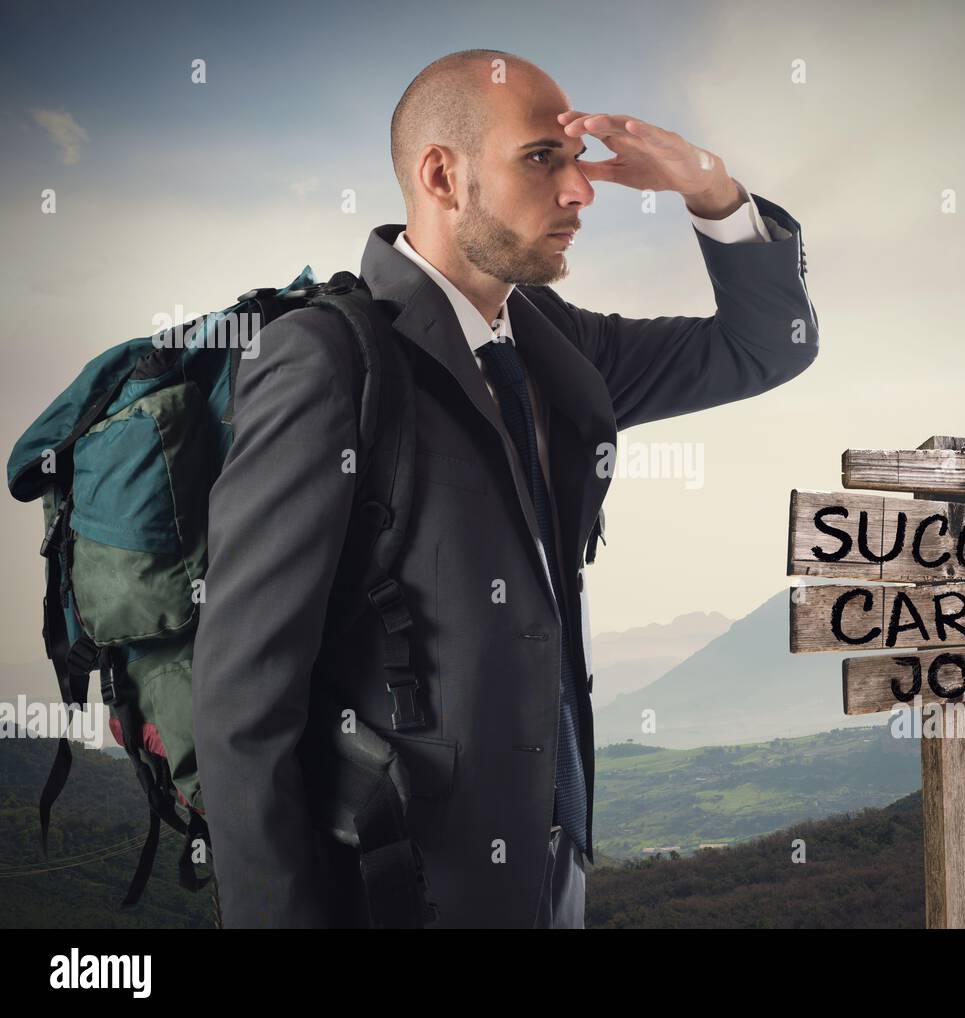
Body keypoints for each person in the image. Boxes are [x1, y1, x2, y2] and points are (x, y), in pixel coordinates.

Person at [191, 47, 819, 929]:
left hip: (552, 856)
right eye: (541, 158)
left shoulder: (557, 344)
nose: (581, 191)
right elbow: (243, 704)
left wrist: (706, 187)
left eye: (574, 161)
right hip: (404, 883)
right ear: (443, 176)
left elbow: (771, 344)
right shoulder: (328, 362)